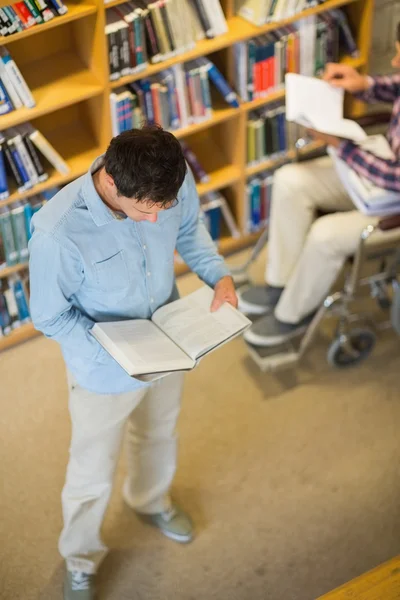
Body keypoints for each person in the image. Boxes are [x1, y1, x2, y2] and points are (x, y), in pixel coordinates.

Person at [28, 125, 237, 600]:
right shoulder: (57, 234)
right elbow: (50, 315)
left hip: (169, 338)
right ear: (111, 184)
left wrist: (218, 274)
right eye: (145, 211)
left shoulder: (166, 185)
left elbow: (189, 231)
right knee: (90, 469)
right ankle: (80, 558)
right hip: (103, 369)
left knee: (160, 432)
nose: (153, 221)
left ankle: (150, 500)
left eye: (161, 208)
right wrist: (115, 351)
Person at [241, 25, 400, 347]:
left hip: (392, 195)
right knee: (290, 181)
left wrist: (339, 146)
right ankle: (281, 283)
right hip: (379, 170)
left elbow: (393, 178)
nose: (395, 62)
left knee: (326, 235)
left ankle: (292, 316)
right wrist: (364, 84)